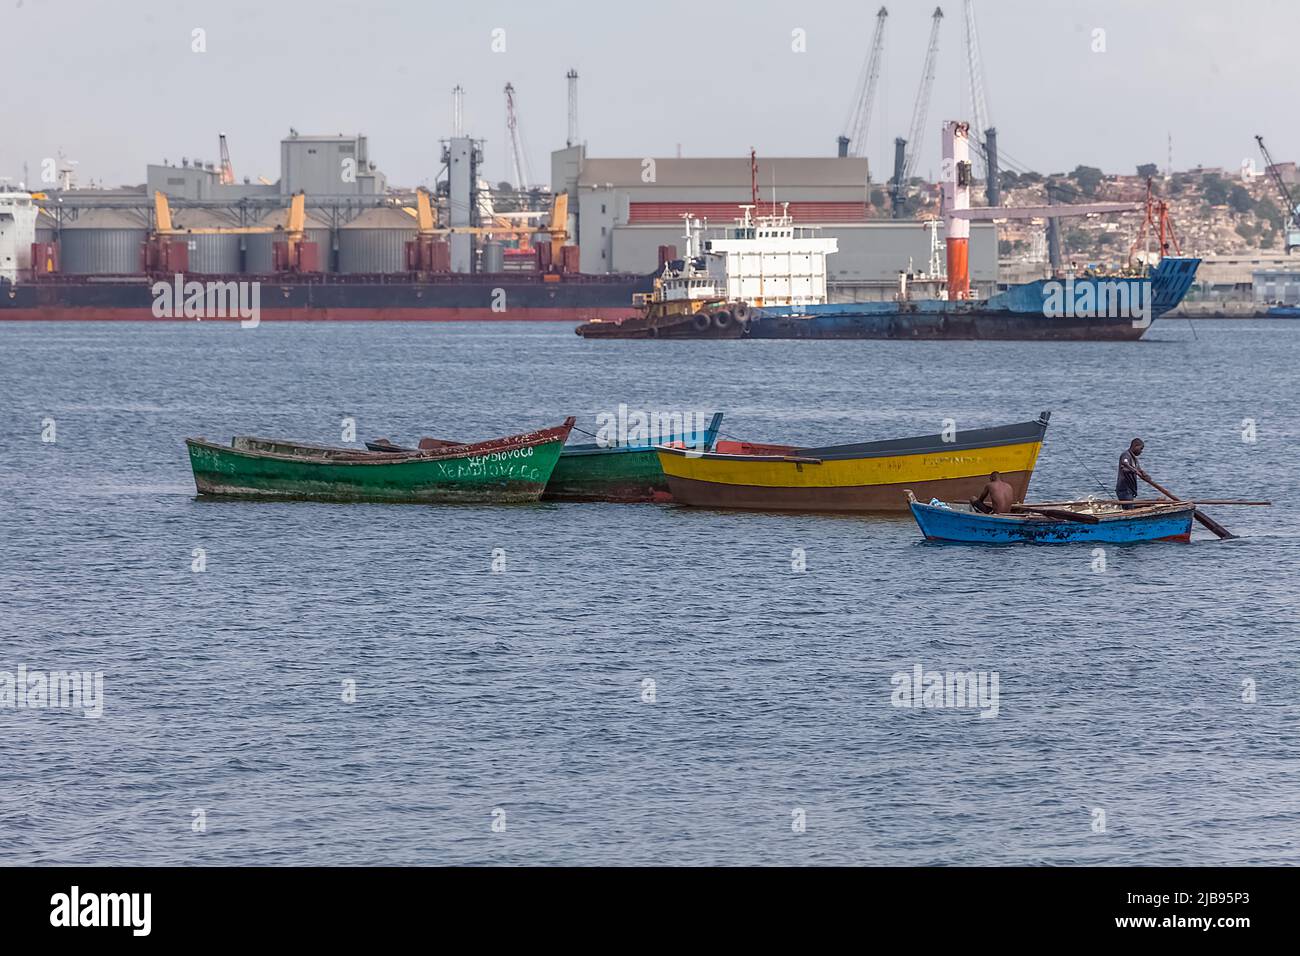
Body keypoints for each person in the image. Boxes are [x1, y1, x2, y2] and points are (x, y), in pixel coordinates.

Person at [1116, 438, 1150, 507]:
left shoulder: (1134, 459)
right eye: (1141, 449)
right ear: (1135, 446)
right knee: (1128, 509)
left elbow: (1139, 470)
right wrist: (1133, 470)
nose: (1141, 451)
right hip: (1124, 489)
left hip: (1131, 490)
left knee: (1130, 507)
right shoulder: (1126, 455)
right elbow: (1124, 468)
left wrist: (1145, 474)